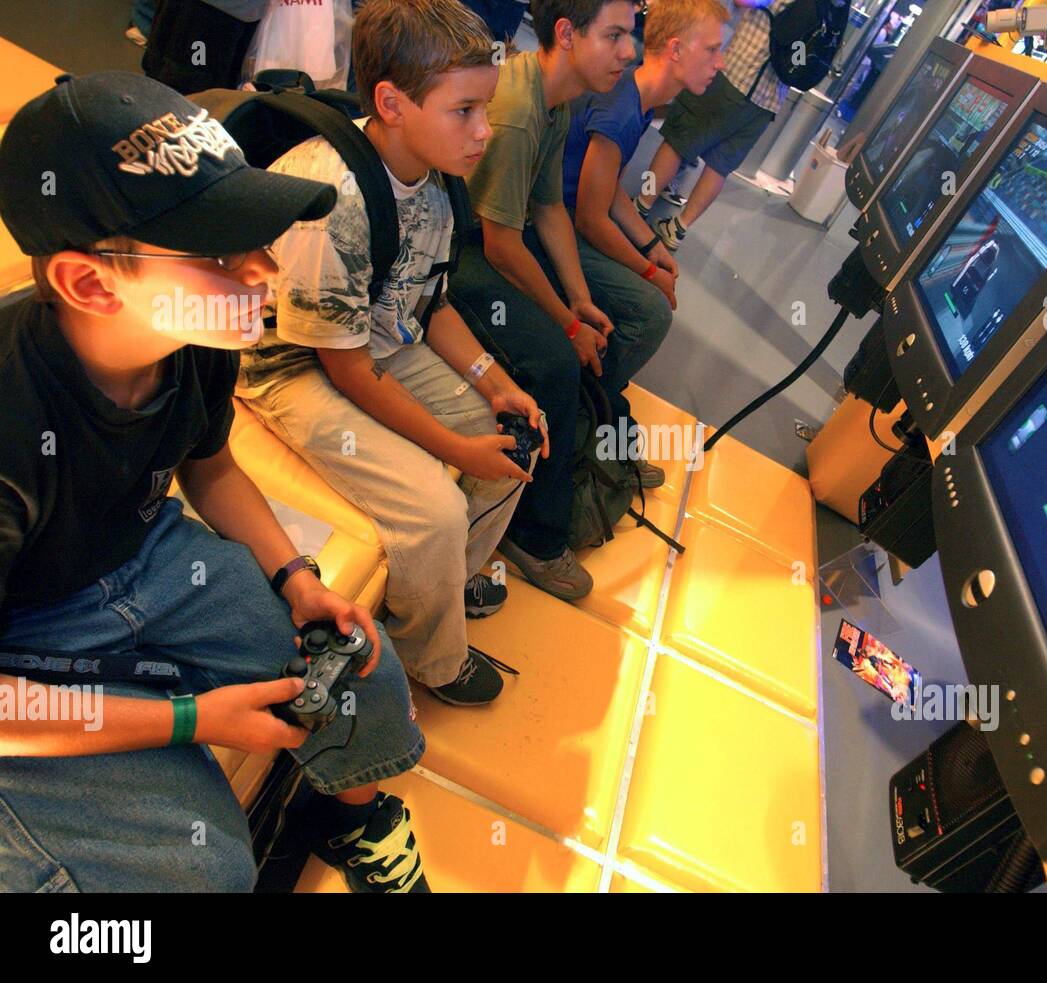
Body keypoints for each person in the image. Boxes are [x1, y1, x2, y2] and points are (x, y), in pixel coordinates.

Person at [0, 72, 429, 893]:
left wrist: (295, 577)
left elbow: (212, 462)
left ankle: (347, 820)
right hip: (26, 634)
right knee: (202, 870)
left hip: (140, 551)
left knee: (357, 669)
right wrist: (188, 719)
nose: (265, 269)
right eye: (222, 253)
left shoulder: (200, 332)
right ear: (89, 283)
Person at [237, 0, 547, 707]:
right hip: (291, 362)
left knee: (511, 442)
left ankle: (448, 580)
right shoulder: (335, 199)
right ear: (391, 103)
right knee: (435, 506)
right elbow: (344, 369)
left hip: (370, 335)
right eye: (464, 110)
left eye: (486, 109)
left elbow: (426, 304)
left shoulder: (437, 180)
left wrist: (493, 382)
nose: (483, 131)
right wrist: (454, 449)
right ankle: (431, 657)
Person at [450, 0, 667, 602]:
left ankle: (579, 443)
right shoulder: (520, 109)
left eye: (633, 36)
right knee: (553, 360)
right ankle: (534, 535)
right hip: (460, 247)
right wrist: (568, 326)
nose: (632, 52)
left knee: (626, 316)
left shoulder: (558, 100)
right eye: (617, 35)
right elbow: (499, 246)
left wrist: (578, 299)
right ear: (568, 35)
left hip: (499, 235)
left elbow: (547, 207)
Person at [563, 0, 729, 313]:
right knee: (650, 313)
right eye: (711, 50)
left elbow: (608, 188)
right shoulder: (622, 114)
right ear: (676, 50)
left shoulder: (637, 95)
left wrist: (651, 245)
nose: (720, 63)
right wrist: (648, 270)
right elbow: (590, 220)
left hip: (567, 212)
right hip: (552, 221)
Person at [640, 0, 795, 250]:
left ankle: (642, 202)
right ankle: (679, 228)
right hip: (768, 102)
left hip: (734, 75)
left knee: (677, 140)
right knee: (719, 166)